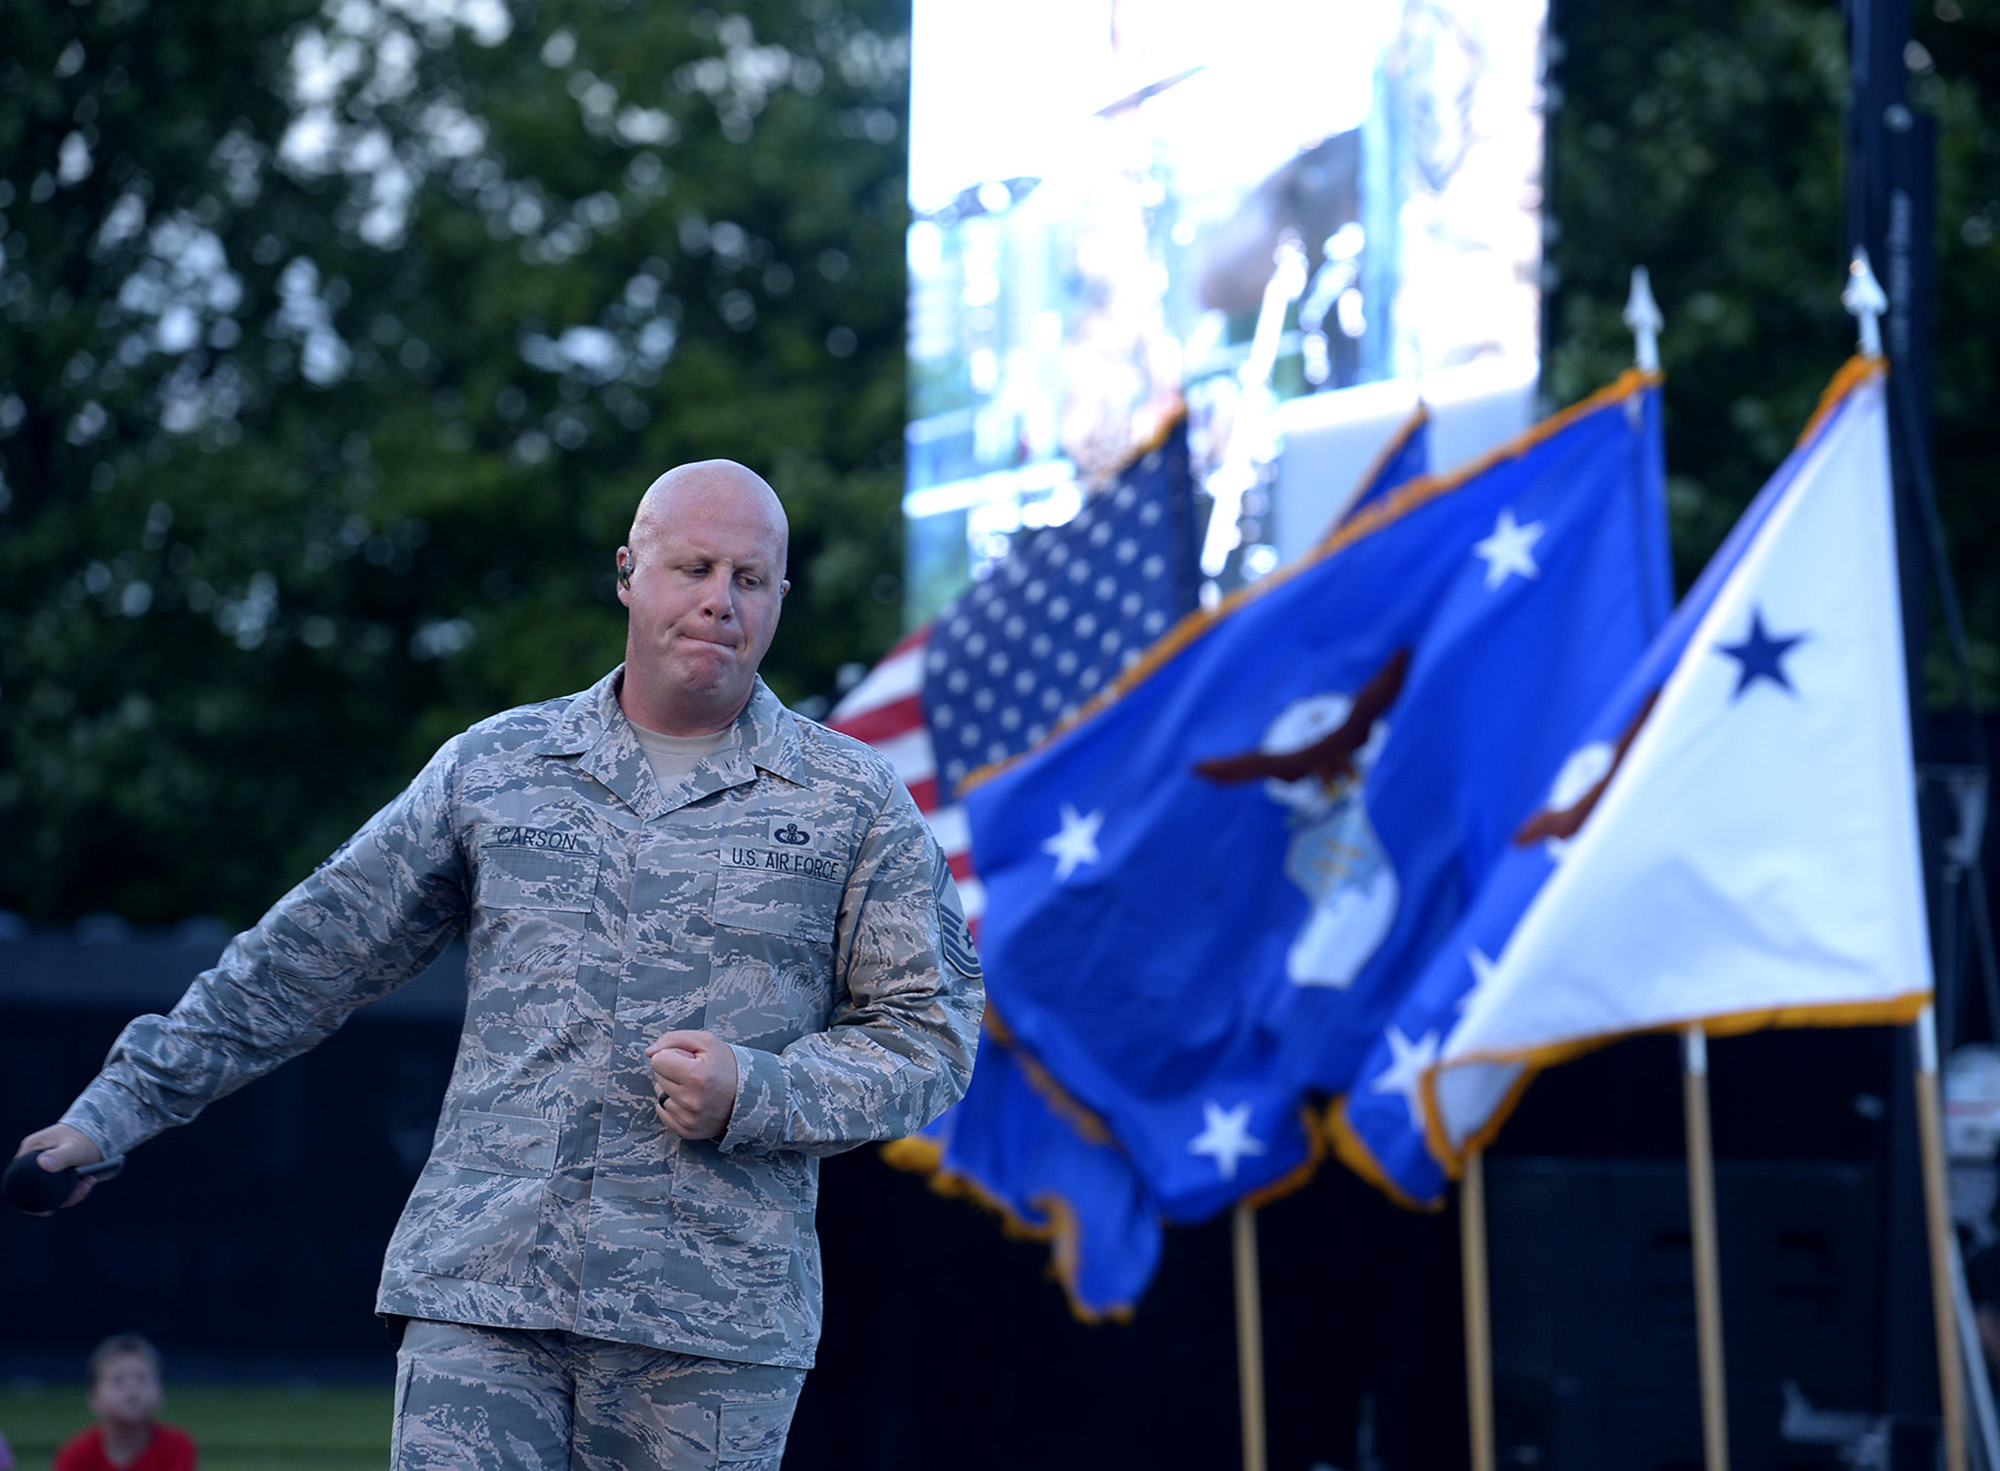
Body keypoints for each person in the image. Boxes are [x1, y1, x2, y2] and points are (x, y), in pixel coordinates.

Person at [14, 461, 984, 1469]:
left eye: (749, 576)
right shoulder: (497, 768)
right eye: (691, 565)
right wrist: (113, 1110)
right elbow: (307, 953)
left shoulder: (852, 801)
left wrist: (764, 1089)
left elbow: (933, 1031)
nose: (717, 599)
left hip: (708, 1330)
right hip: (482, 1299)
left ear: (780, 596)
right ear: (626, 571)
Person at [52, 1335, 197, 1471]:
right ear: (94, 1397)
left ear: (160, 1392)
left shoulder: (177, 1446)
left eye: (141, 1379)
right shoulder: (76, 1453)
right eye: (118, 1380)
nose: (131, 1389)